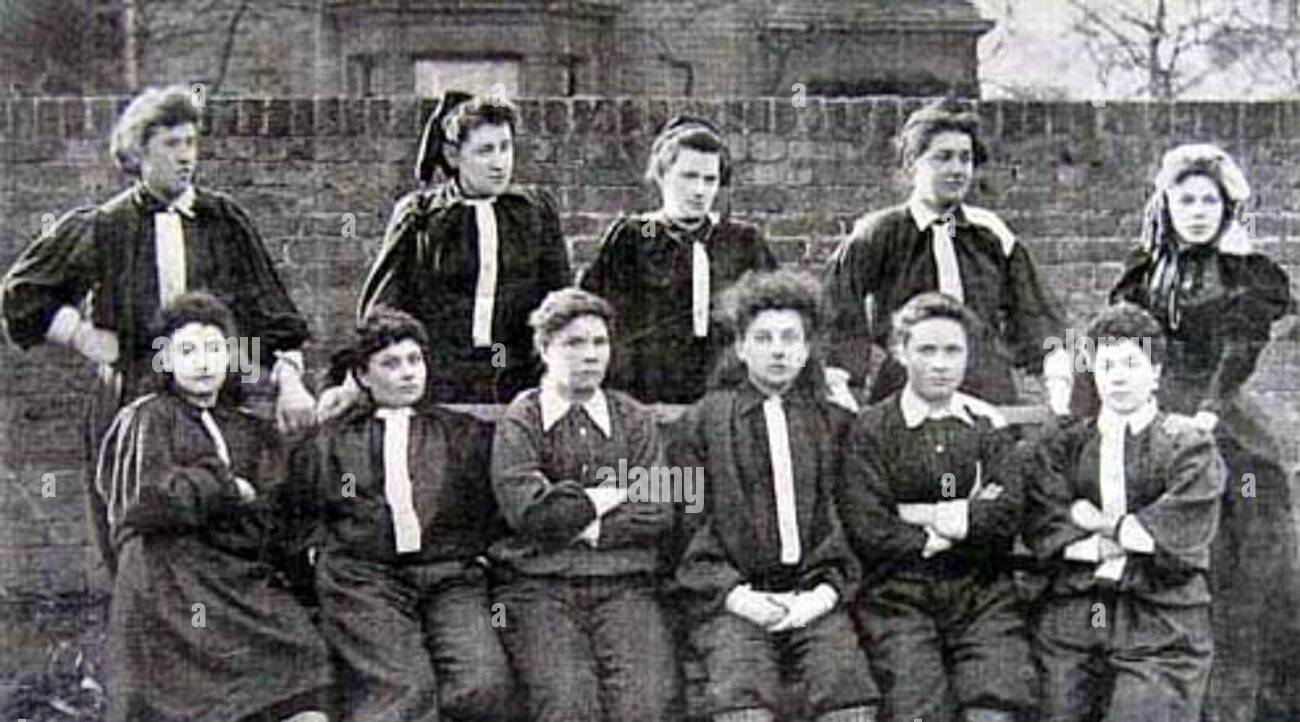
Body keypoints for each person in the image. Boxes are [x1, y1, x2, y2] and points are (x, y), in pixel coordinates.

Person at [95, 292, 360, 722]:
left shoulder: (246, 426)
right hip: (170, 583)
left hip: (236, 577)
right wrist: (222, 486)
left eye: (215, 348)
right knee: (250, 684)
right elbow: (142, 504)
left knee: (305, 659)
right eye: (188, 349)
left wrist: (246, 499)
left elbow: (273, 510)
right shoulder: (146, 417)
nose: (204, 361)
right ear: (164, 357)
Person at [0, 84, 316, 572]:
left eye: (191, 142)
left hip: (217, 394)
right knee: (135, 527)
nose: (186, 157)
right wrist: (83, 335)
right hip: (132, 395)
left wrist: (290, 380)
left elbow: (272, 314)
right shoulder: (105, 226)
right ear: (138, 150)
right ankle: (142, 628)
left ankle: (207, 630)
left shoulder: (224, 221)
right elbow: (22, 295)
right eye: (171, 144)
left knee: (217, 521)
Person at [290, 307, 515, 722]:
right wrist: (319, 567)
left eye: (415, 359)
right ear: (363, 374)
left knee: (485, 686)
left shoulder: (464, 434)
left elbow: (494, 513)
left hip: (449, 575)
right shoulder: (331, 439)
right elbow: (297, 518)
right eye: (390, 363)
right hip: (364, 579)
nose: (408, 372)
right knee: (406, 692)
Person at [671, 268, 883, 722]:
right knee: (737, 680)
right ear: (739, 345)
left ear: (810, 345)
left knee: (843, 675)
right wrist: (734, 595)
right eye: (764, 337)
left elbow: (851, 522)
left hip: (815, 593)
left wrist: (823, 594)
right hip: (734, 597)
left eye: (793, 337)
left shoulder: (834, 422)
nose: (780, 350)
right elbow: (684, 525)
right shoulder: (699, 424)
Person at [1096, 143, 1298, 722]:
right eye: (1186, 199)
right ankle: (1159, 720)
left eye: (1210, 199)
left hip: (1227, 432)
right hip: (1157, 426)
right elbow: (1116, 342)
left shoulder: (1249, 277)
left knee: (1247, 570)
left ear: (1227, 206)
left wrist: (1206, 415)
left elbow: (1239, 351)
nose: (1198, 210)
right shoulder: (1141, 272)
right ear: (1166, 205)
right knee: (1169, 569)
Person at [838, 292, 1037, 722]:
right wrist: (962, 519)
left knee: (998, 689)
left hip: (981, 591)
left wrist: (926, 516)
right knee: (915, 700)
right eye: (926, 350)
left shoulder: (986, 425)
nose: (941, 364)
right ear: (901, 353)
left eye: (953, 350)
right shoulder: (871, 428)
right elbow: (870, 528)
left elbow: (1007, 515)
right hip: (899, 595)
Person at [1025, 305, 1223, 722]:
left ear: (1156, 371)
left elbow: (1170, 533)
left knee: (1145, 702)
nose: (1118, 377)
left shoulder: (1186, 442)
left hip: (1159, 603)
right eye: (1107, 365)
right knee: (1060, 694)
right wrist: (1110, 533)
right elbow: (1047, 517)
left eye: (1132, 364)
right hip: (1082, 600)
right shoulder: (1068, 443)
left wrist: (1104, 522)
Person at [490, 288, 678, 722]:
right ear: (544, 349)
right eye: (574, 343)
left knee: (646, 705)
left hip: (625, 586)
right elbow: (530, 514)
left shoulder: (633, 419)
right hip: (538, 589)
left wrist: (580, 515)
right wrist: (604, 499)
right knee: (567, 703)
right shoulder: (521, 419)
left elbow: (661, 509)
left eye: (599, 342)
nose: (590, 355)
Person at [327, 92, 570, 409]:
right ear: (454, 156)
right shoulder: (421, 215)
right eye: (485, 151)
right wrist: (354, 381)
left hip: (519, 383)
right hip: (439, 384)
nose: (499, 163)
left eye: (505, 147)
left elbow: (557, 300)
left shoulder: (534, 211)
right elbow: (384, 307)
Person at [822, 98, 1067, 410]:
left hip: (985, 390)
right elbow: (838, 310)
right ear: (913, 163)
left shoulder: (990, 232)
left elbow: (1035, 312)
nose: (956, 170)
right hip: (906, 391)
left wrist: (1056, 376)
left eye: (965, 159)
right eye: (943, 158)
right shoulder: (879, 233)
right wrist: (841, 382)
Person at [579, 115, 810, 405]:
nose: (700, 191)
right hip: (647, 399)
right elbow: (593, 317)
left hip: (726, 399)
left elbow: (782, 314)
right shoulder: (633, 237)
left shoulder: (742, 242)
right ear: (663, 176)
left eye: (709, 179)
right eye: (688, 177)